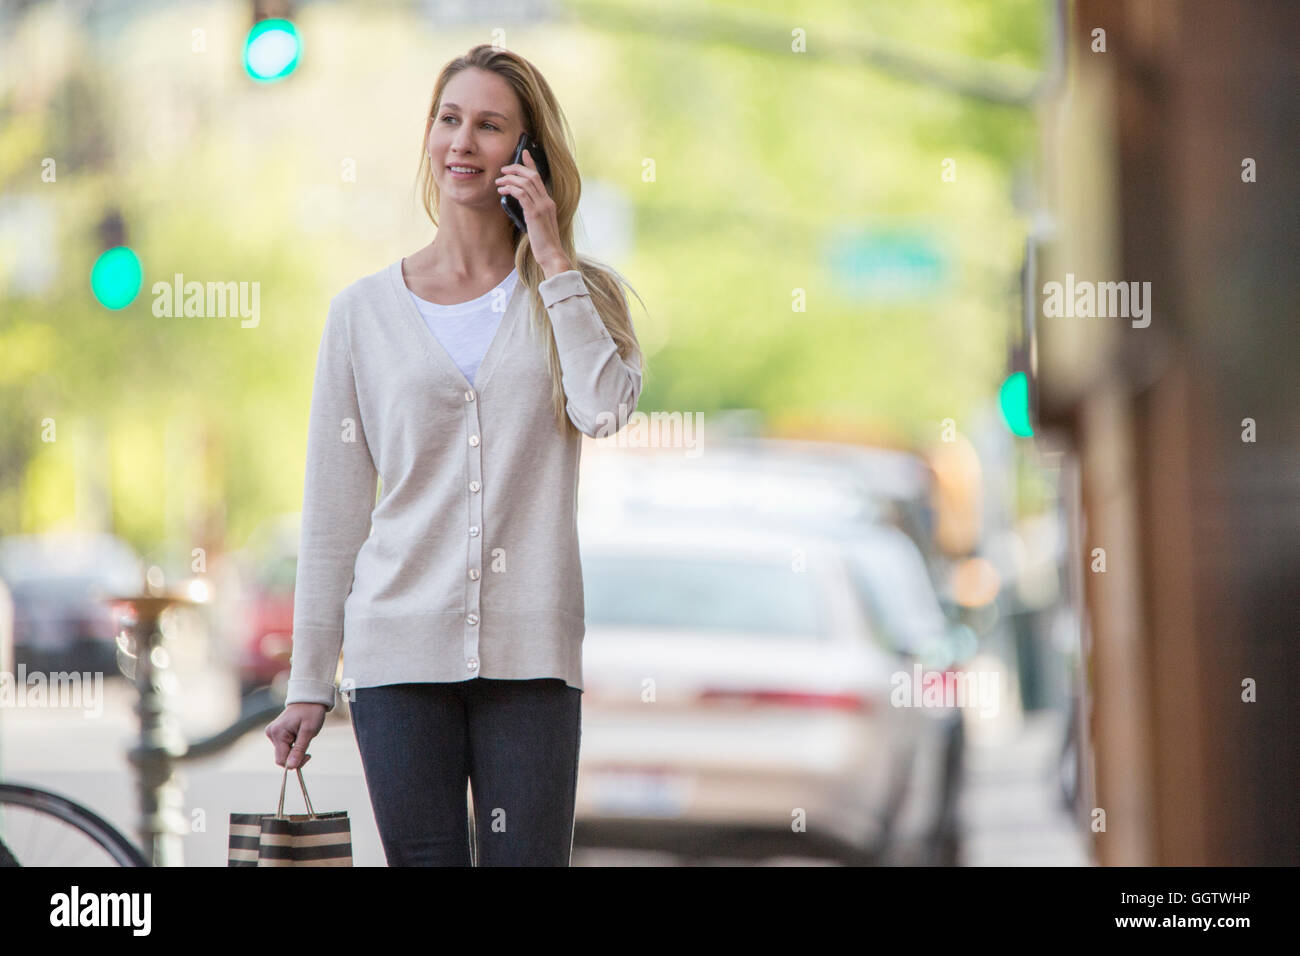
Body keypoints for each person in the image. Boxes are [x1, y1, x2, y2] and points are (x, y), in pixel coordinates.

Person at [266, 43, 646, 866]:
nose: (461, 143)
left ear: (527, 153)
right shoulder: (361, 314)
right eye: (449, 120)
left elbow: (605, 407)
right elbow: (334, 511)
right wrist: (308, 682)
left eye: (488, 126)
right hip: (396, 655)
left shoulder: (574, 295)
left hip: (531, 661)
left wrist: (550, 255)